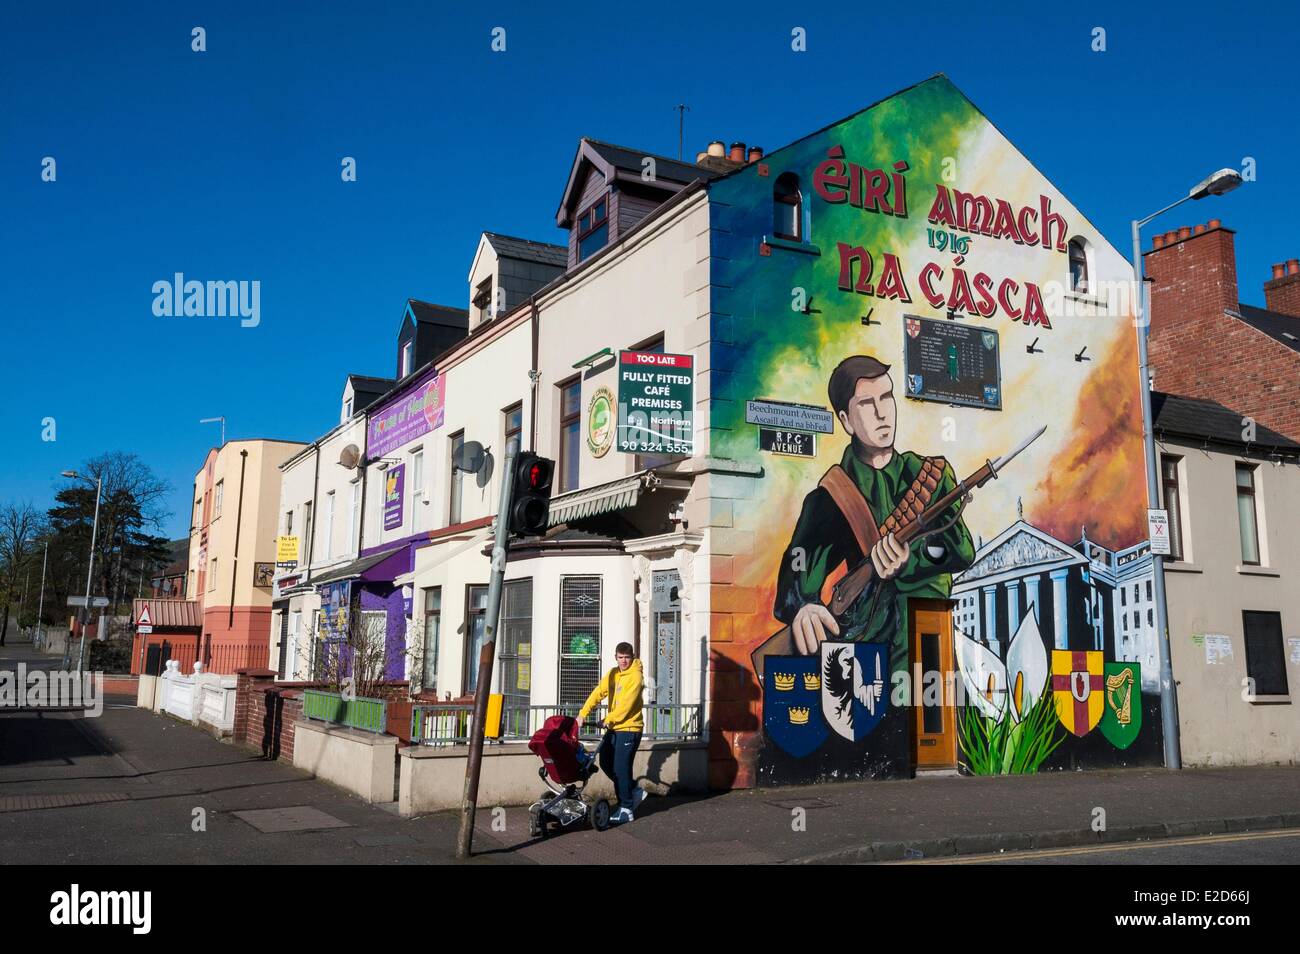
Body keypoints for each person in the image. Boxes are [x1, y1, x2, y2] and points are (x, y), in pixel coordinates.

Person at [773, 354, 975, 678]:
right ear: (846, 420)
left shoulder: (931, 475)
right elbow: (798, 568)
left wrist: (912, 559)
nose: (882, 413)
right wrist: (803, 606)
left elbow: (961, 550)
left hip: (930, 649)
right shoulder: (831, 497)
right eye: (867, 403)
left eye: (887, 397)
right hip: (866, 657)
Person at [576, 642, 645, 823]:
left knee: (621, 769)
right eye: (620, 657)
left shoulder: (636, 677)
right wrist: (582, 714)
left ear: (633, 656)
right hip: (615, 728)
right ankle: (632, 790)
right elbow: (599, 692)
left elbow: (626, 707)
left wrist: (607, 720)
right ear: (616, 657)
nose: (624, 661)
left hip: (630, 728)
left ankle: (626, 808)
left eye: (627, 657)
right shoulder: (614, 673)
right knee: (606, 762)